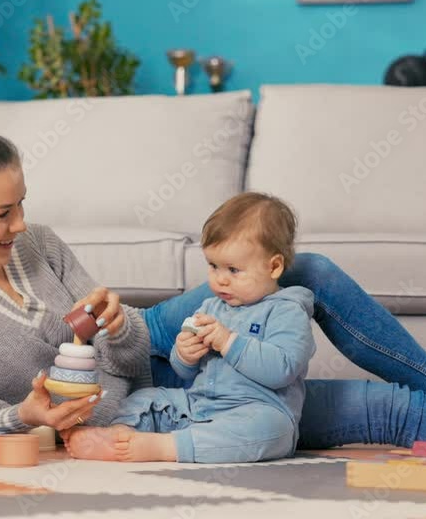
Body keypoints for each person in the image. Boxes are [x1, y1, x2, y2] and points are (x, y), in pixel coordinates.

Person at [0, 113, 426, 457]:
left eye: (23, 203)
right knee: (382, 415)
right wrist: (21, 418)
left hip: (159, 347)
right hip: (161, 410)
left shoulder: (40, 244)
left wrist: (118, 321)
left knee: (300, 270)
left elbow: (133, 356)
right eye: (3, 213)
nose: (22, 223)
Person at [64, 193, 316, 463]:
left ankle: (164, 447)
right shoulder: (210, 307)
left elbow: (283, 369)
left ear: (274, 266)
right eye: (213, 266)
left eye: (233, 270)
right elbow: (185, 371)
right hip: (197, 405)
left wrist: (228, 342)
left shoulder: (287, 311)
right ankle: (120, 434)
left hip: (255, 409)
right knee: (145, 397)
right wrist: (184, 354)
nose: (220, 280)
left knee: (271, 430)